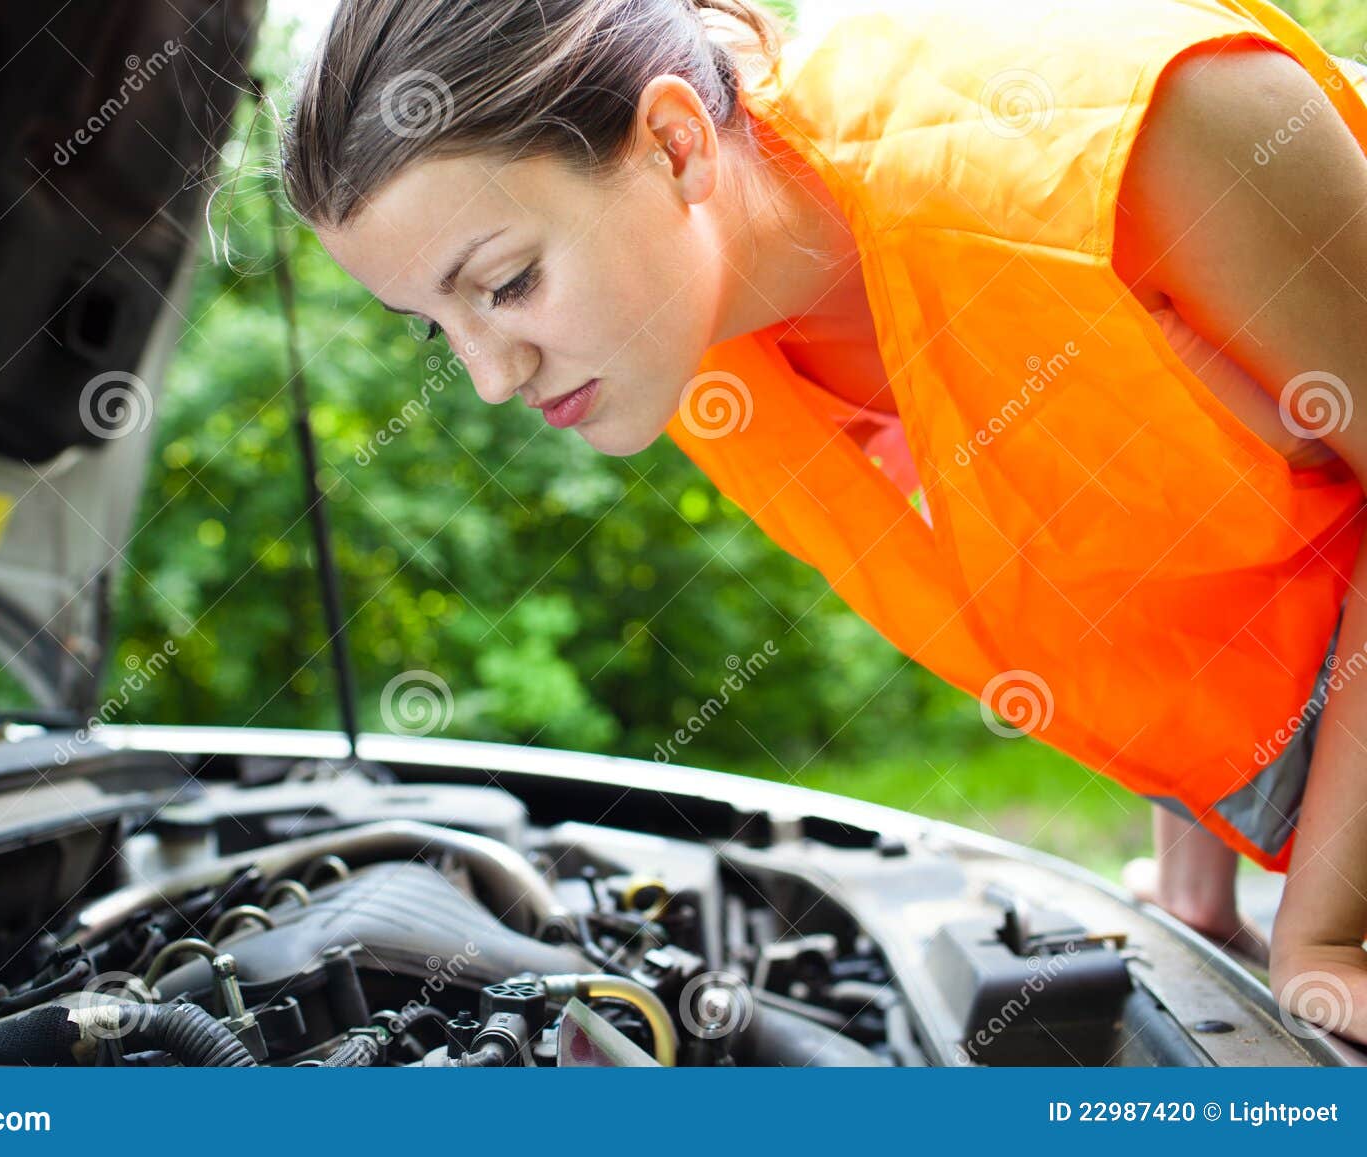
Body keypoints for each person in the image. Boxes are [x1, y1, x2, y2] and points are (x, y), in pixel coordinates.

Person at [280, 0, 1367, 1044]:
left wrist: (1319, 930)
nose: (486, 375)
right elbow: (1134, 531)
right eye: (434, 327)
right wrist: (1196, 896)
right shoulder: (694, 333)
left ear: (672, 143)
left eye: (508, 282)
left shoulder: (1154, 128)